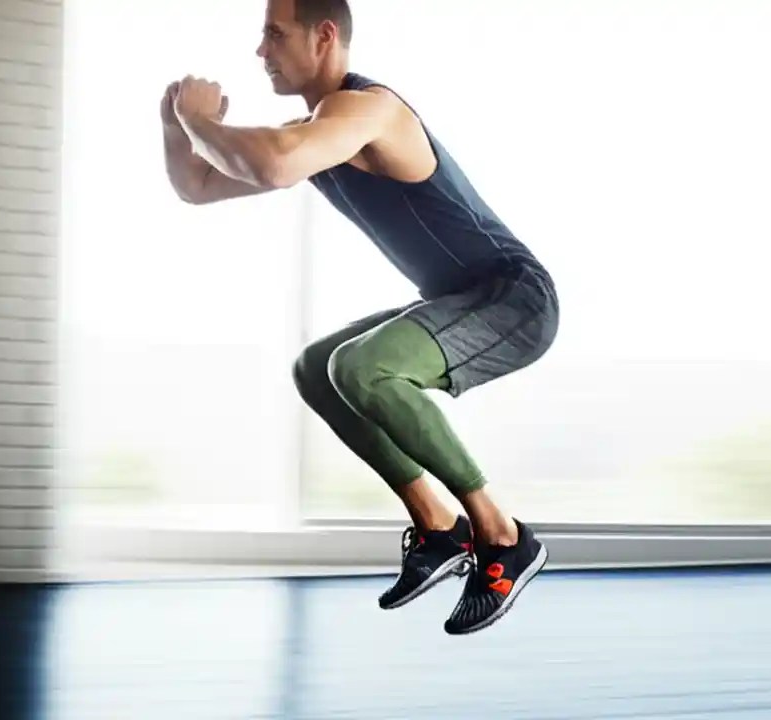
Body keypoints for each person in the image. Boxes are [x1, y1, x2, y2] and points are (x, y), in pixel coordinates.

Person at [159, 0, 558, 635]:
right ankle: (438, 527)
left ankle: (503, 537)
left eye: (273, 33)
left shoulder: (368, 111)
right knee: (316, 369)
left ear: (323, 36)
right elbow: (200, 186)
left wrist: (197, 117)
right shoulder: (318, 130)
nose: (261, 51)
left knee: (362, 368)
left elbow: (273, 161)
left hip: (516, 299)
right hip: (460, 299)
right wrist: (176, 126)